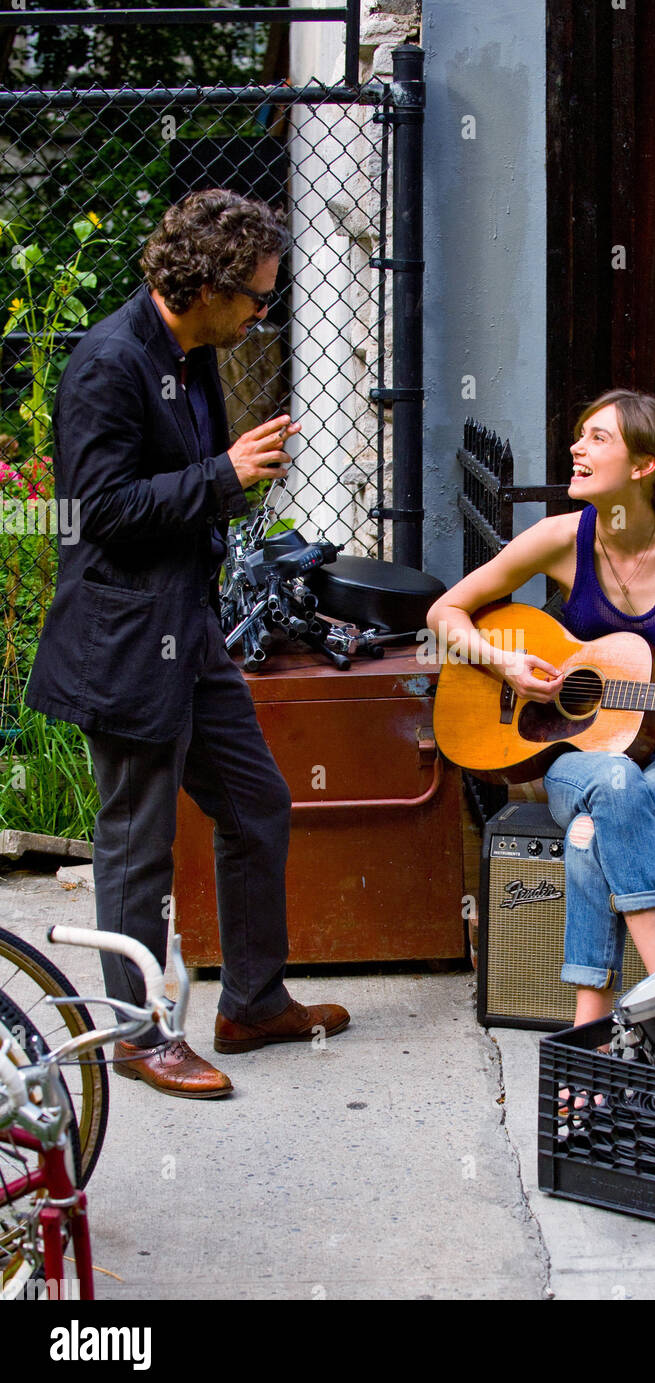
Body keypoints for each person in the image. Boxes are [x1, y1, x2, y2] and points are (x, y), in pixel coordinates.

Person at [26, 189, 349, 1097]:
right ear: (203, 285)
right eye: (255, 298)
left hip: (188, 628)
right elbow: (100, 514)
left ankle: (251, 1002)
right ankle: (136, 1035)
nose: (262, 314)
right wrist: (223, 475)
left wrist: (225, 479)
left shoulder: (192, 346)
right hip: (125, 635)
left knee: (257, 803)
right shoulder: (108, 363)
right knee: (138, 844)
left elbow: (182, 489)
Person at [428, 388, 655, 1029]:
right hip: (577, 760)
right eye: (581, 433)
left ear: (645, 465)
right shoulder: (561, 539)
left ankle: (588, 1027)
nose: (576, 447)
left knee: (589, 833)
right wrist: (504, 663)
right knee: (613, 776)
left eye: (598, 438)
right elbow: (444, 613)